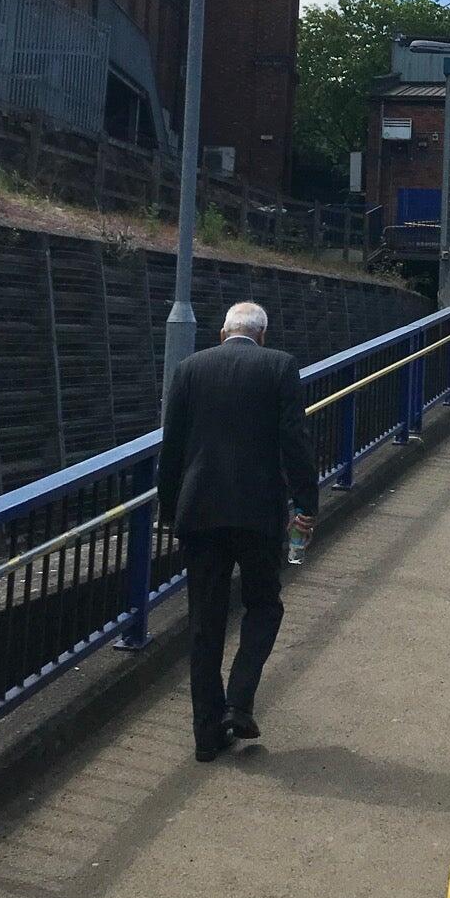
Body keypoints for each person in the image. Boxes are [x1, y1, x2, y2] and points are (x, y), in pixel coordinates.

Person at [158, 300, 319, 762]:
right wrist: (306, 504)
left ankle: (206, 737)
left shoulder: (190, 368)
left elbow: (173, 448)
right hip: (257, 513)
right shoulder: (280, 367)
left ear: (223, 332)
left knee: (204, 625)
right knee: (263, 606)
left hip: (200, 513)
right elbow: (295, 441)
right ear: (262, 335)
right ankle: (238, 703)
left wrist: (171, 512)